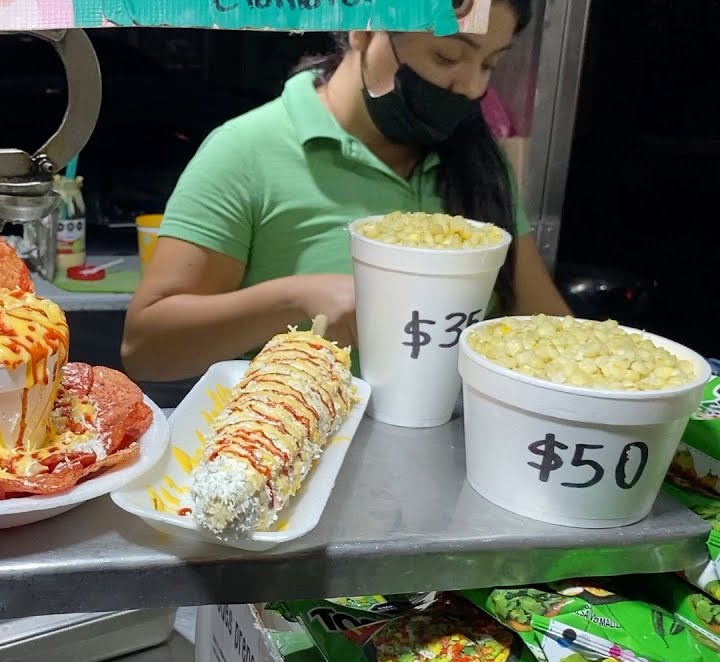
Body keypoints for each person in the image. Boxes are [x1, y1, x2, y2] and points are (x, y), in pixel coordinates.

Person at [121, 0, 571, 382]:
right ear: (364, 26)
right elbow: (146, 347)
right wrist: (292, 300)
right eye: (448, 57)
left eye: (490, 63)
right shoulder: (247, 150)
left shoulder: (480, 166)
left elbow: (552, 331)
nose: (473, 86)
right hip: (295, 460)